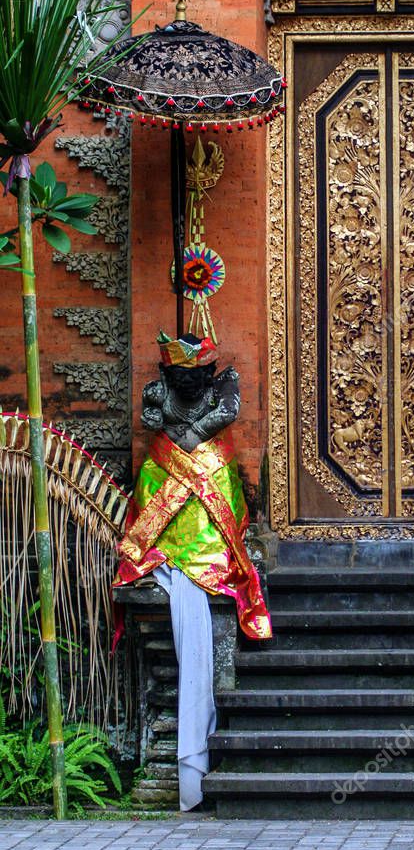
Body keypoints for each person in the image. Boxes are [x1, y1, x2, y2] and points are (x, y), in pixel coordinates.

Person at [113, 331, 271, 809]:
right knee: (158, 512)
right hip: (165, 466)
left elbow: (225, 415)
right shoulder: (159, 392)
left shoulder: (223, 388)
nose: (184, 382)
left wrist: (190, 433)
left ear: (206, 373)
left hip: (208, 468)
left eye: (193, 375)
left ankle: (214, 560)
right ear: (166, 374)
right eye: (175, 375)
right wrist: (171, 426)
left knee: (217, 522)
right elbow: (148, 417)